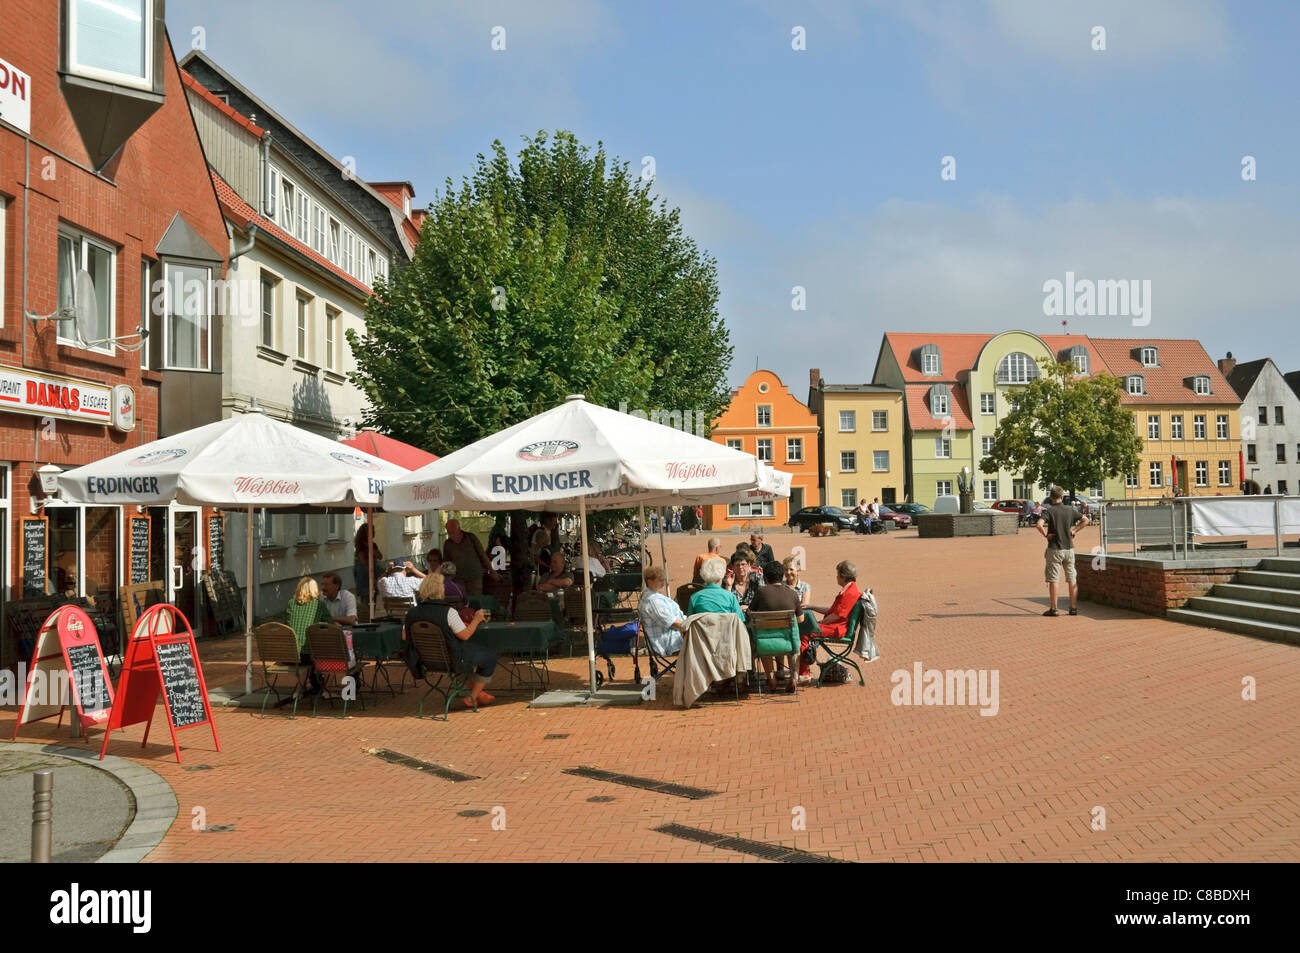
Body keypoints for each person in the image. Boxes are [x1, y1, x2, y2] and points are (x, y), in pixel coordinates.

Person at [404, 573, 496, 708]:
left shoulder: (412, 613)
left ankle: (477, 692)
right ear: (440, 590)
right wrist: (476, 619)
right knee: (490, 656)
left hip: (426, 661)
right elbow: (465, 636)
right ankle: (473, 697)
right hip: (452, 660)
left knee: (461, 657)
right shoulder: (448, 612)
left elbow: (404, 637)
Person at [805, 560, 861, 685]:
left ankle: (804, 670)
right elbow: (831, 610)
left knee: (805, 631)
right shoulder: (848, 590)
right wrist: (811, 606)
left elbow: (836, 615)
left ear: (843, 576)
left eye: (837, 574)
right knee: (808, 627)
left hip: (838, 629)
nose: (836, 577)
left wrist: (819, 623)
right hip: (836, 626)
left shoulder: (850, 593)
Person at [1037, 484, 1087, 617]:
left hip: (1054, 549)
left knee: (1054, 579)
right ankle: (1073, 608)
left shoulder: (1049, 511)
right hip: (1069, 549)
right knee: (1072, 578)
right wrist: (1074, 530)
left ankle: (1054, 609)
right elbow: (1085, 520)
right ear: (1062, 496)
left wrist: (1046, 535)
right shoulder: (1070, 510)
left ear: (1050, 497)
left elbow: (1039, 524)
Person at [750, 561, 802, 691]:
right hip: (788, 642)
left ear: (765, 577)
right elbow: (800, 619)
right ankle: (793, 678)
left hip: (766, 644)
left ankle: (771, 679)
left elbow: (751, 613)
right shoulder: (793, 593)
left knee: (763, 638)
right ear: (782, 576)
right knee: (795, 643)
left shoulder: (761, 592)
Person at [286, 576, 331, 694]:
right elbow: (330, 626)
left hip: (289, 654)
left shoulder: (291, 603)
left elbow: (287, 623)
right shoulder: (318, 605)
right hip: (308, 655)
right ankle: (310, 686)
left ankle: (311, 686)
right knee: (318, 654)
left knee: (311, 655)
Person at [639, 566, 687, 656]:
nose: (663, 583)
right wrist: (690, 626)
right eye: (660, 580)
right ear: (650, 581)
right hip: (670, 643)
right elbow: (672, 622)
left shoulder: (650, 595)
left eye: (663, 580)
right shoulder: (653, 600)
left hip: (673, 637)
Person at [443, 519, 496, 596]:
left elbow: (482, 555)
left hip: (474, 578)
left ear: (459, 529)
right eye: (449, 533)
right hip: (458, 579)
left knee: (475, 601)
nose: (451, 535)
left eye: (453, 532)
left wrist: (492, 571)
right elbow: (446, 563)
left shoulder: (470, 538)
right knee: (461, 602)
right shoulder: (447, 544)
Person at [353, 523, 382, 599]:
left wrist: (371, 546)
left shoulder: (373, 544)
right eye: (372, 531)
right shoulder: (360, 546)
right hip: (364, 577)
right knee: (366, 602)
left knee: (373, 599)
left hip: (373, 575)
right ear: (366, 533)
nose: (374, 532)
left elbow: (380, 556)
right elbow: (363, 562)